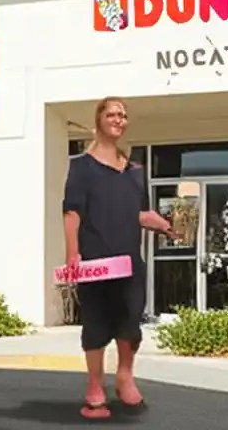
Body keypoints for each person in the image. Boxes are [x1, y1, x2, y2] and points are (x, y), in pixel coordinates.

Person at [62, 96, 178, 420]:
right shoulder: (81, 167)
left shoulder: (135, 171)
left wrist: (166, 225)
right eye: (112, 114)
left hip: (130, 261)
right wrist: (73, 252)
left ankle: (125, 376)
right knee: (97, 324)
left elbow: (139, 213)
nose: (119, 119)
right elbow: (72, 212)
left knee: (130, 324)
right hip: (96, 260)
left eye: (123, 115)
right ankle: (95, 386)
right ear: (99, 119)